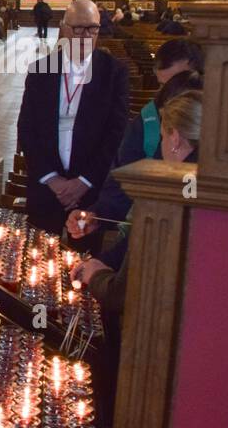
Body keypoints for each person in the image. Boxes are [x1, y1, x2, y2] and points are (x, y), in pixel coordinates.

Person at [72, 90, 202, 326]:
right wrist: (103, 261)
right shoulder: (201, 182)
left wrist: (96, 274)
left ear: (175, 139)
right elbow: (138, 242)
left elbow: (125, 292)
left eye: (162, 137)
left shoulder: (172, 196)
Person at [17, 0, 129, 238]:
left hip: (90, 191)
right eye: (78, 28)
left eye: (93, 28)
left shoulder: (114, 72)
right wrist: (52, 179)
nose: (86, 35)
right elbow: (27, 129)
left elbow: (116, 133)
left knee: (84, 265)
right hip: (46, 187)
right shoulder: (40, 70)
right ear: (64, 28)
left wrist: (84, 182)